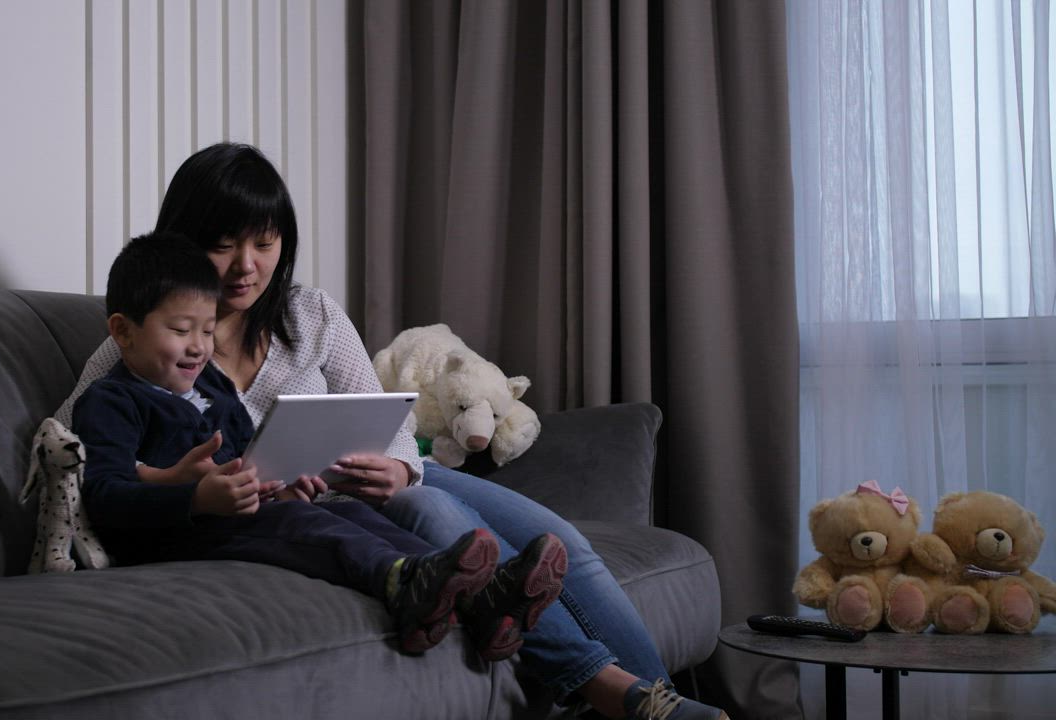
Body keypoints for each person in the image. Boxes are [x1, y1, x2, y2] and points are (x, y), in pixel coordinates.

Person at [57, 143, 725, 719]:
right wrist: (166, 480)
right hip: (321, 503)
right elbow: (69, 442)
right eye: (223, 244)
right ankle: (612, 688)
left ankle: (657, 698)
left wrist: (401, 466)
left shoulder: (309, 313)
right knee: (436, 513)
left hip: (386, 475)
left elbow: (388, 417)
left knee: (566, 543)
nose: (245, 266)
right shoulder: (147, 340)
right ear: (183, 241)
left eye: (263, 243)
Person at [68, 229, 568, 658]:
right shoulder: (111, 401)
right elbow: (104, 496)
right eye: (181, 330)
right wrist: (193, 496)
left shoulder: (210, 383)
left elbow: (249, 454)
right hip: (176, 534)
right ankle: (403, 581)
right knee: (301, 522)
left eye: (206, 328)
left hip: (237, 514)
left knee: (347, 512)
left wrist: (278, 482)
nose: (200, 346)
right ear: (123, 332)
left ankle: (482, 600)